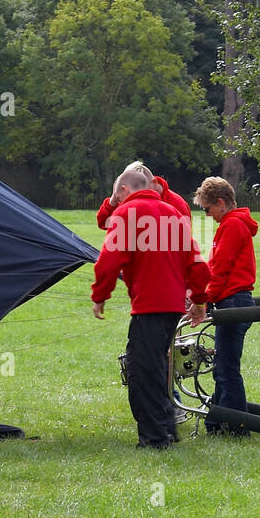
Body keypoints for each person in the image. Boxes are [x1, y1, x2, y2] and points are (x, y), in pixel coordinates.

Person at [92, 169, 210, 450]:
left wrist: (100, 296)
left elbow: (108, 261)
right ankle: (167, 429)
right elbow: (196, 264)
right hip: (173, 305)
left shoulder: (125, 214)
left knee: (141, 372)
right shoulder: (173, 214)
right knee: (157, 367)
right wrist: (199, 300)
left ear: (122, 190)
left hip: (148, 305)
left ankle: (155, 438)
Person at [192, 177, 259, 436]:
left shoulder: (231, 225)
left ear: (221, 203)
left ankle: (237, 427)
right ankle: (216, 424)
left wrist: (204, 300)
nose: (207, 215)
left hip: (233, 302)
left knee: (228, 370)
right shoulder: (234, 224)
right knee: (222, 367)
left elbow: (220, 270)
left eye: (207, 209)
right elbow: (214, 269)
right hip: (233, 300)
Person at [96, 161, 191, 231]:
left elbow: (182, 244)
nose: (139, 197)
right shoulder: (129, 198)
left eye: (143, 187)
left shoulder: (177, 205)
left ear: (154, 183)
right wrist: (113, 201)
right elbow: (104, 223)